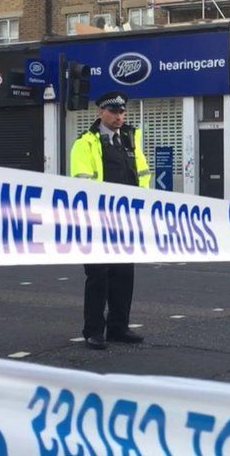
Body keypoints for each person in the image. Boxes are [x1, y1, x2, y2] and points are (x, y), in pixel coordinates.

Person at [69, 91, 151, 350]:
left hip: (125, 220)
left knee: (123, 275)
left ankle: (118, 327)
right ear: (101, 112)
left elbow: (142, 176)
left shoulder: (130, 140)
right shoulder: (85, 144)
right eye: (114, 111)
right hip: (97, 221)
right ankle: (93, 331)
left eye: (122, 111)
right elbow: (82, 183)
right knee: (98, 276)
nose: (119, 116)